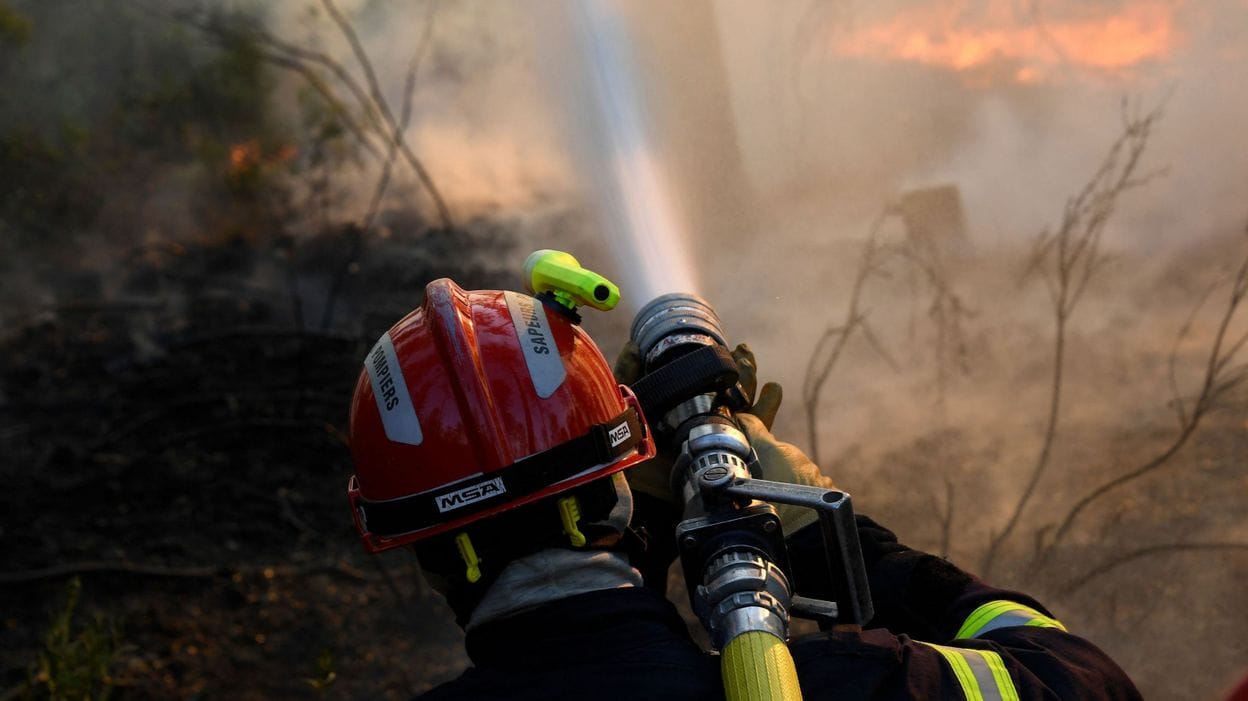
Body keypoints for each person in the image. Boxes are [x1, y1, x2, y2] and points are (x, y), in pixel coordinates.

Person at [346, 277, 1142, 700]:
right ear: (619, 488)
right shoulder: (836, 685)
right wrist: (843, 549)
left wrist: (646, 534)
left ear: (424, 554)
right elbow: (1080, 677)